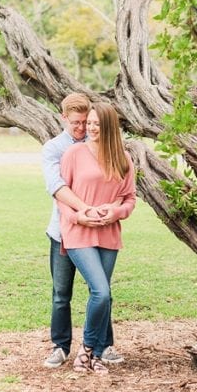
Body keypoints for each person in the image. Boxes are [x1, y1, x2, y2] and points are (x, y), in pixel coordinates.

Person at [40, 93, 124, 369]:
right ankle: (60, 346)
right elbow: (58, 188)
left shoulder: (98, 144)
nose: (81, 128)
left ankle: (103, 345)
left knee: (100, 289)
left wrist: (109, 211)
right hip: (63, 230)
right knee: (62, 293)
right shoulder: (55, 149)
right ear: (64, 118)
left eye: (84, 121)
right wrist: (84, 211)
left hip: (97, 230)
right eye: (75, 123)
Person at [58, 101, 137, 374]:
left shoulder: (122, 159)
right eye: (89, 123)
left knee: (103, 294)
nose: (91, 128)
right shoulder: (74, 153)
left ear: (110, 127)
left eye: (97, 124)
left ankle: (93, 357)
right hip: (79, 232)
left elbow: (129, 199)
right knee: (101, 292)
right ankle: (87, 351)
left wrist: (116, 212)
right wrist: (78, 216)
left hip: (108, 233)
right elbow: (60, 194)